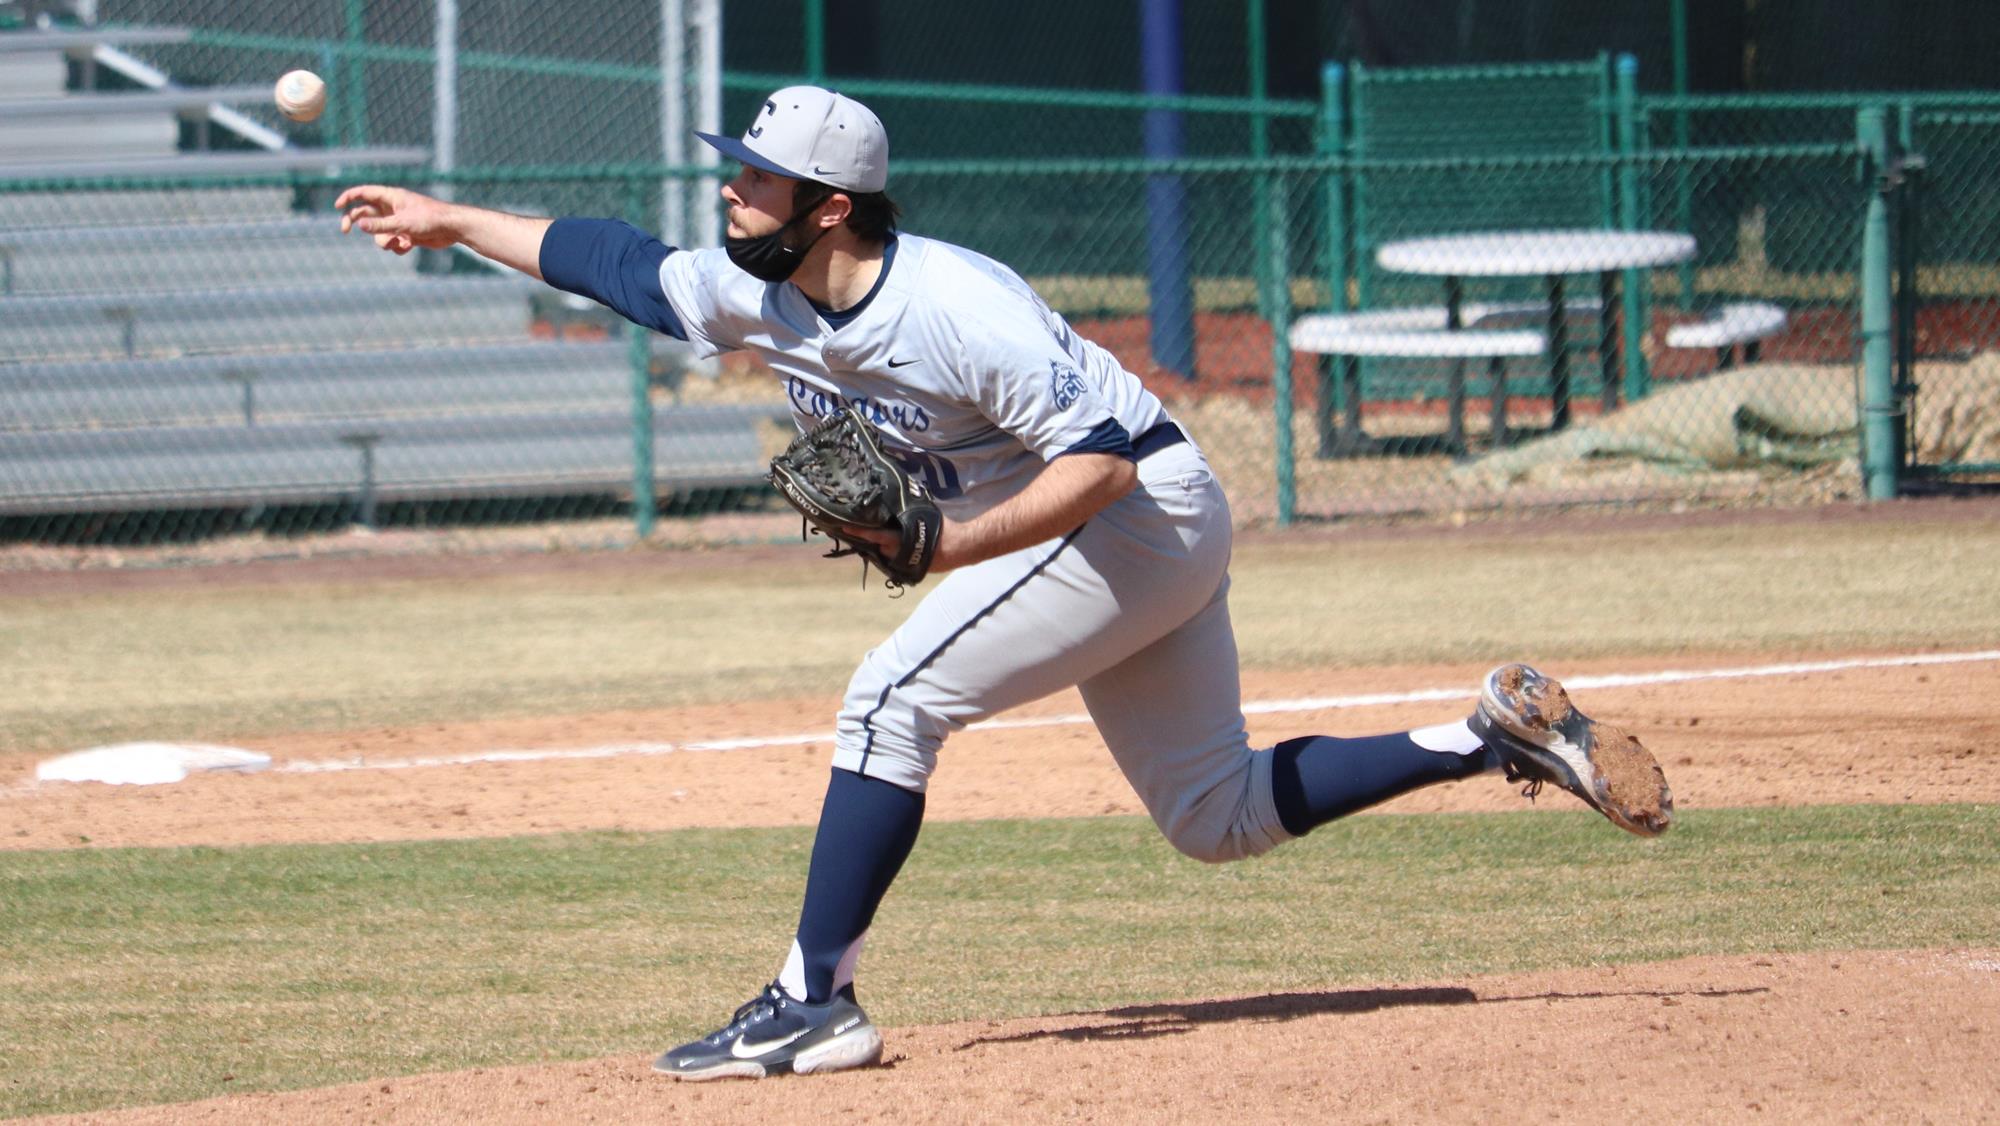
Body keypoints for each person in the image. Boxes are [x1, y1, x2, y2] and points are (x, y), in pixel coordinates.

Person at [337, 86, 1673, 1082]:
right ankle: (1487, 736)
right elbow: (611, 262)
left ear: (829, 208)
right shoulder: (761, 290)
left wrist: (943, 546)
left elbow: (1099, 462)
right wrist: (450, 221)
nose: (731, 193)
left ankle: (813, 1002)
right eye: (736, 171)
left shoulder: (957, 307)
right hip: (1134, 526)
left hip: (1137, 513)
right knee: (1214, 816)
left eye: (756, 179)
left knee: (890, 700)